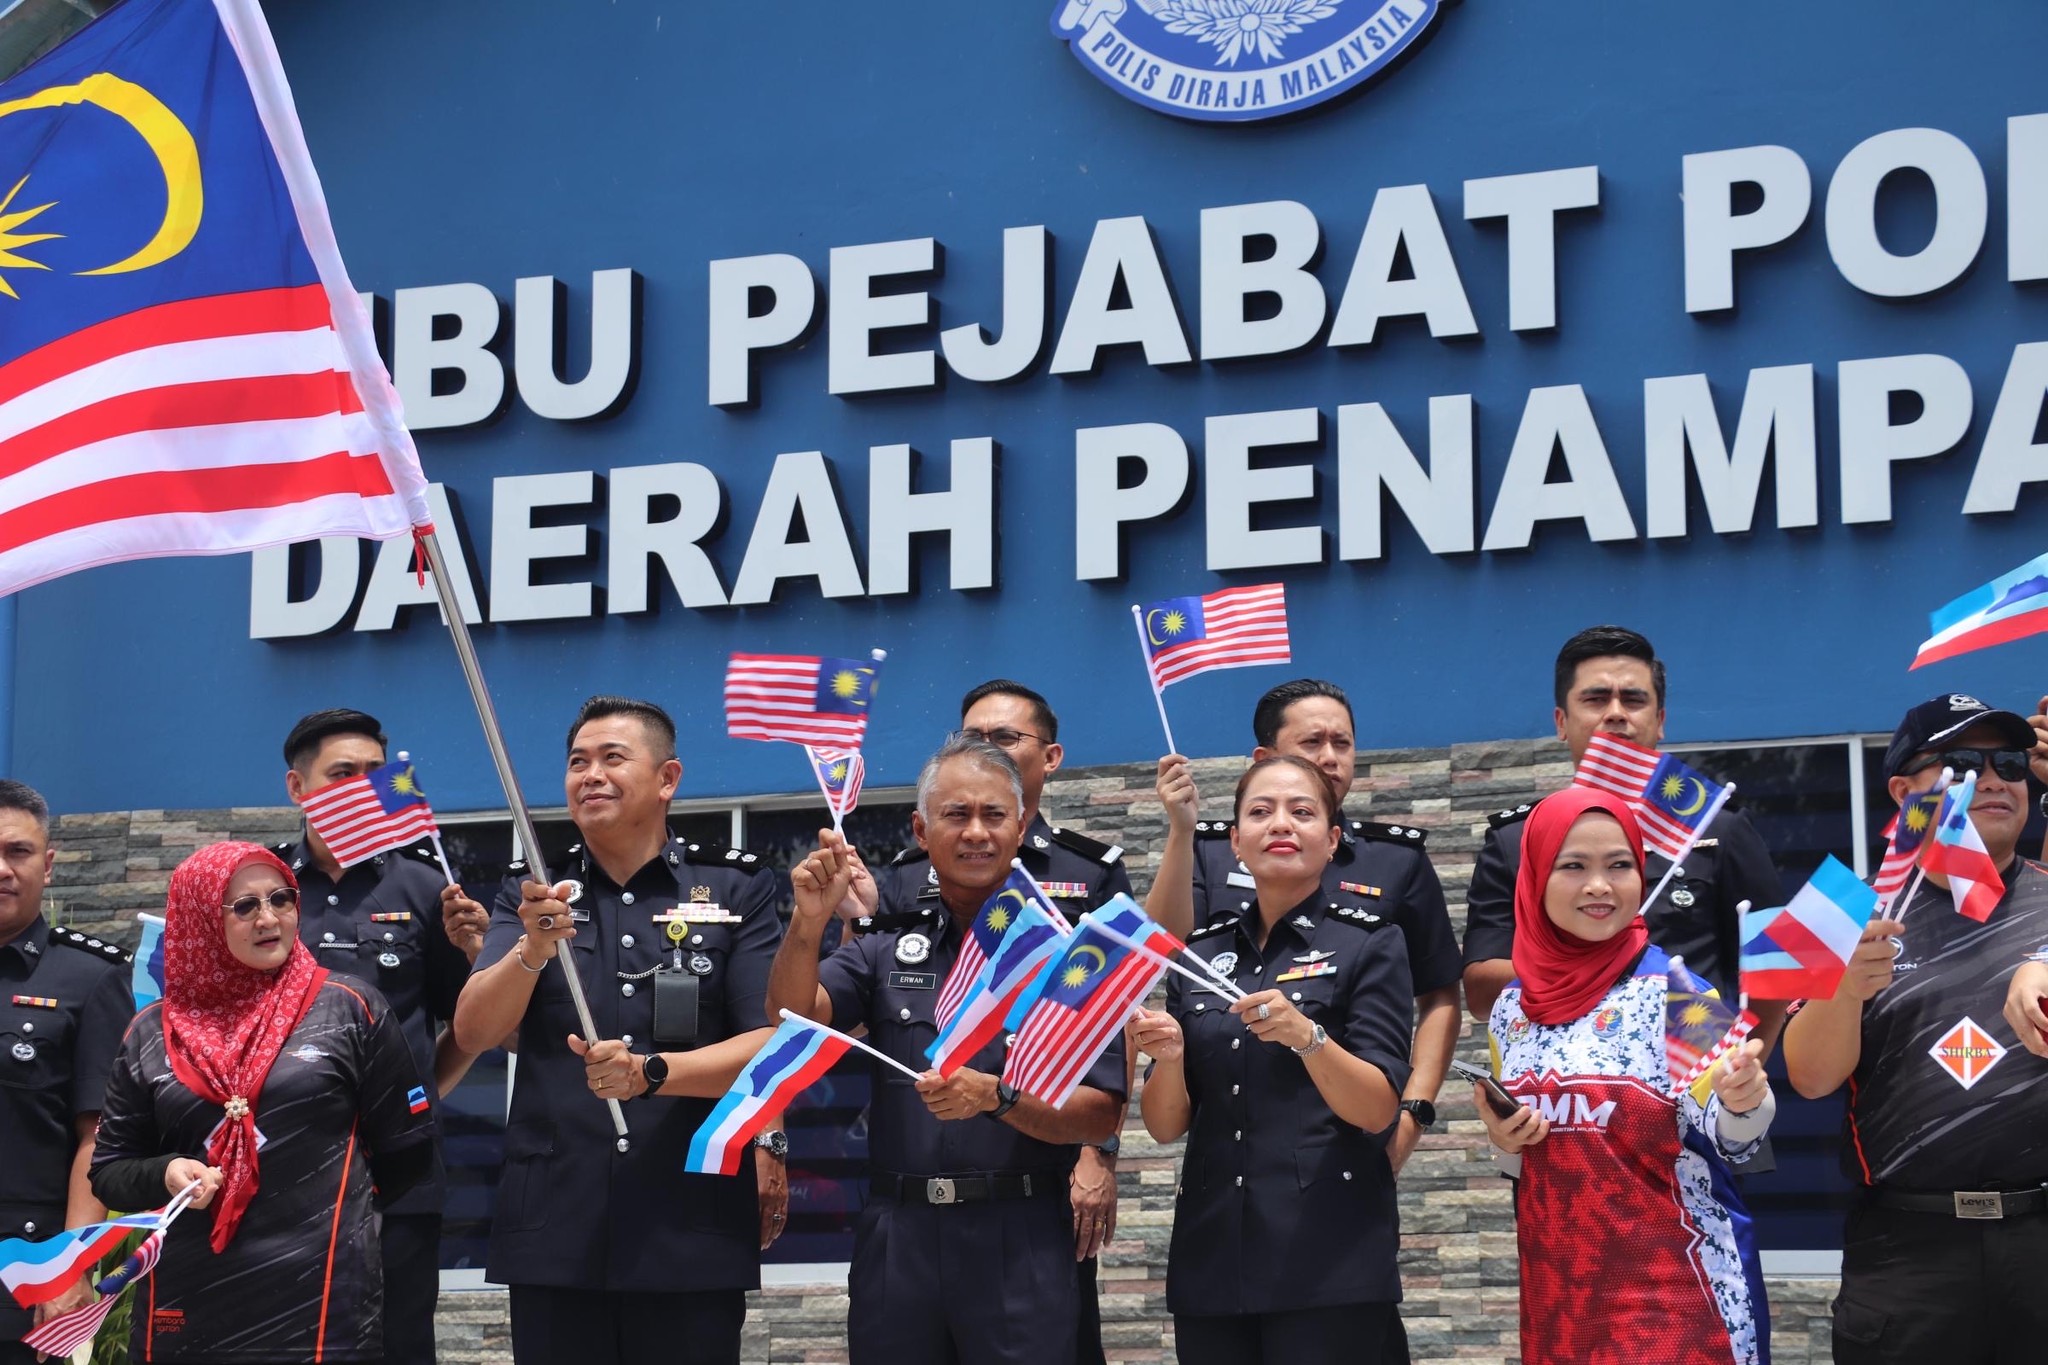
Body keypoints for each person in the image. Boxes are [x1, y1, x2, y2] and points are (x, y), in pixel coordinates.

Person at [767, 735, 1127, 1365]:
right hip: (898, 1240)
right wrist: (807, 923)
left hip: (1021, 1235)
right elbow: (791, 1017)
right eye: (956, 815)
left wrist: (998, 1098)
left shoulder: (1072, 956)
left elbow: (1100, 1114)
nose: (976, 833)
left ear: (1020, 828)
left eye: (994, 815)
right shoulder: (886, 946)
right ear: (921, 830)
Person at [451, 696, 783, 1365]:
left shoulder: (735, 886)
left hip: (689, 1220)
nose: (590, 775)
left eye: (611, 758)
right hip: (556, 1224)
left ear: (667, 778)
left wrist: (649, 1073)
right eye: (577, 762)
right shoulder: (535, 890)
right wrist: (530, 952)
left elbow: (770, 1045)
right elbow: (475, 1029)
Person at [870, 678, 1133, 1362]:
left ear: (1049, 757)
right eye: (973, 738)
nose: (988, 749)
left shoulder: (1088, 868)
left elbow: (1111, 1020)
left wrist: (1095, 1155)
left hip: (1032, 1174)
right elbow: (873, 993)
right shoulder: (904, 876)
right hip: (914, 1199)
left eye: (1006, 737)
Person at [90, 842, 435, 1362]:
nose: (269, 917)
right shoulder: (151, 1033)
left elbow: (406, 1150)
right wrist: (167, 1172)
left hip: (323, 1295)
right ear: (201, 919)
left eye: (281, 898)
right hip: (186, 1296)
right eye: (244, 906)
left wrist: (329, 1211)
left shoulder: (350, 1006)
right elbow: (110, 1170)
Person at [1783, 693, 2048, 1364]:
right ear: (1904, 790)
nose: (1993, 779)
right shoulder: (1832, 906)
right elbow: (1809, 1077)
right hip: (1908, 1248)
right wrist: (1845, 983)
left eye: (2010, 762)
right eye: (1961, 761)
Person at [1133, 754, 1415, 1365]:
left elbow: (1376, 1110)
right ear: (1235, 841)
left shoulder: (1371, 943)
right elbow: (1164, 1126)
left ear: (1333, 839)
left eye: (1302, 812)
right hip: (1213, 1258)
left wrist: (1308, 1038)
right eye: (1259, 813)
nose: (1280, 824)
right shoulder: (1199, 956)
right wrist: (1172, 1058)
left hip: (1328, 1261)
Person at [1480, 787, 1774, 1365]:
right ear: (1535, 877)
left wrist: (1745, 1099)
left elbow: (1738, 1141)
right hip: (1559, 1306)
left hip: (1680, 1305)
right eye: (1573, 866)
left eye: (1619, 866)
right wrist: (1502, 1141)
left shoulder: (1681, 992)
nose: (1600, 886)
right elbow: (1525, 1159)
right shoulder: (1510, 1010)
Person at [1148, 678, 1461, 1172]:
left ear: (1332, 840)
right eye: (1313, 742)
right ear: (1264, 757)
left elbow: (1440, 993)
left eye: (1343, 743)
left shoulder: (1395, 859)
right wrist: (1180, 831)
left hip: (1346, 1137)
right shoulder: (1212, 849)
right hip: (1232, 1146)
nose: (1331, 757)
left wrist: (1412, 1114)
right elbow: (1163, 950)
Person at [276, 708, 489, 1365]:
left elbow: (471, 1025)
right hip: (276, 1177)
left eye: (376, 774)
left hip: (396, 1181)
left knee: (397, 1346)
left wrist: (419, 1091)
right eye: (343, 773)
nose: (363, 787)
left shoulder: (428, 890)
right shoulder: (260, 890)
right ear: (298, 787)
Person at [1460, 626, 1787, 1046]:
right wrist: (1600, 965)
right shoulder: (1516, 839)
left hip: (1689, 1065)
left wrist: (1737, 1080)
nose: (1616, 712)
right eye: (1596, 699)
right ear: (1561, 722)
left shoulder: (1715, 828)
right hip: (1556, 1084)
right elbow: (1482, 991)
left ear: (1660, 720)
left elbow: (1774, 969)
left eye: (1633, 699)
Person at [0, 781, 132, 1365]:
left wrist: (69, 1265)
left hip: (25, 1275)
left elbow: (98, 1135)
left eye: (18, 852)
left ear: (48, 865)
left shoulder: (89, 978)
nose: (2, 869)